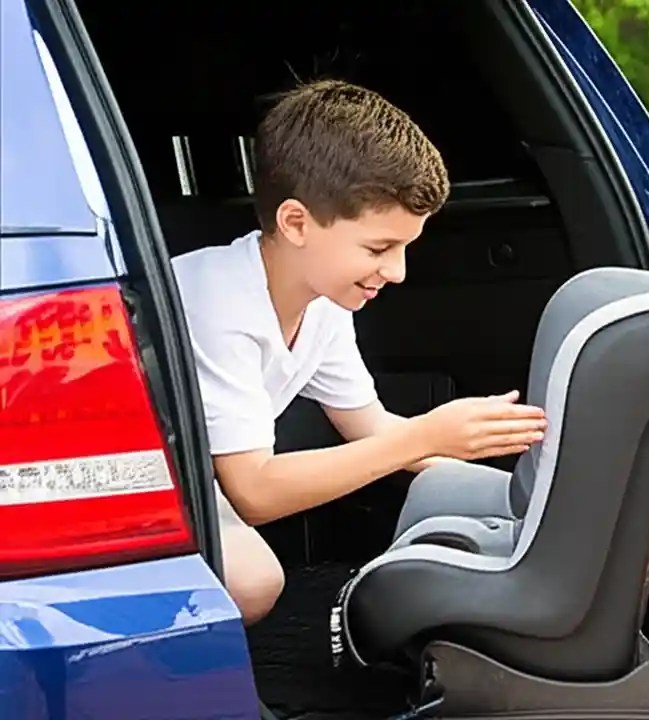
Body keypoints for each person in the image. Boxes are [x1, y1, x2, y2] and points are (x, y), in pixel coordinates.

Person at [171, 80, 547, 625]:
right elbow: (253, 489)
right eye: (378, 248)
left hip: (194, 482)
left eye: (404, 249)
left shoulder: (323, 305)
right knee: (252, 582)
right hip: (119, 485)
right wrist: (425, 435)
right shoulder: (218, 304)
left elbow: (373, 431)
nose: (396, 272)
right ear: (296, 223)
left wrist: (526, 494)